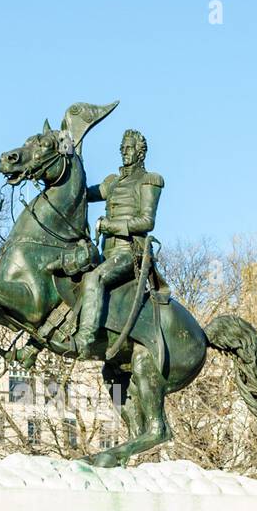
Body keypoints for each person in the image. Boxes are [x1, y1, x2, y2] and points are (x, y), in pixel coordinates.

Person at [74, 129, 163, 355]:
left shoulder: (149, 180)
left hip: (130, 254)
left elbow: (146, 221)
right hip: (108, 253)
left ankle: (85, 338)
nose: (124, 152)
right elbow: (83, 193)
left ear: (140, 152)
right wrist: (73, 159)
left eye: (129, 148)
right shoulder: (112, 182)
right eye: (122, 148)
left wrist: (109, 226)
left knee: (95, 277)